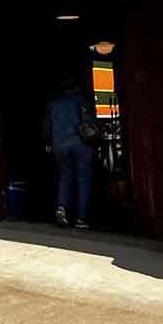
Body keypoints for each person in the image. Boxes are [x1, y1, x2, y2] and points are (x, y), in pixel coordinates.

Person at [43, 75, 96, 229]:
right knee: (83, 179)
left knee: (64, 177)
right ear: (77, 86)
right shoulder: (82, 100)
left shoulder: (54, 102)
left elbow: (47, 126)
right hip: (81, 144)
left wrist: (47, 143)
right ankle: (81, 218)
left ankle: (61, 207)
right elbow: (91, 123)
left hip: (59, 145)